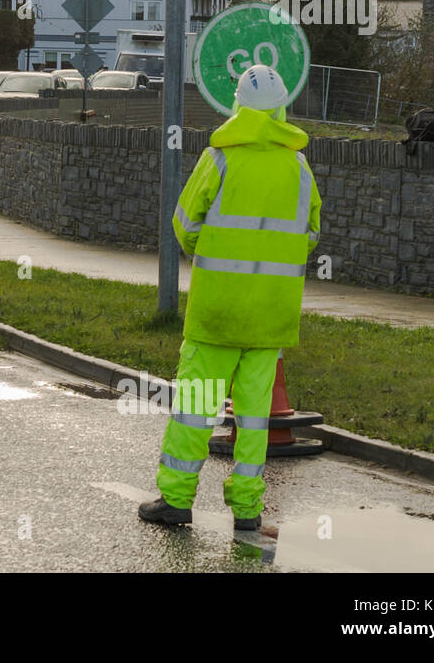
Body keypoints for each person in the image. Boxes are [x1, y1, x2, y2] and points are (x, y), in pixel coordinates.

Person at [138, 64, 321, 532]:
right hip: (270, 317)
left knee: (195, 409)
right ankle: (247, 510)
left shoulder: (220, 157)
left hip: (217, 312)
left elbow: (185, 223)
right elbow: (310, 234)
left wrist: (215, 254)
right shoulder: (298, 166)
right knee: (255, 419)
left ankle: (177, 501)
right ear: (282, 109)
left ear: (237, 105)